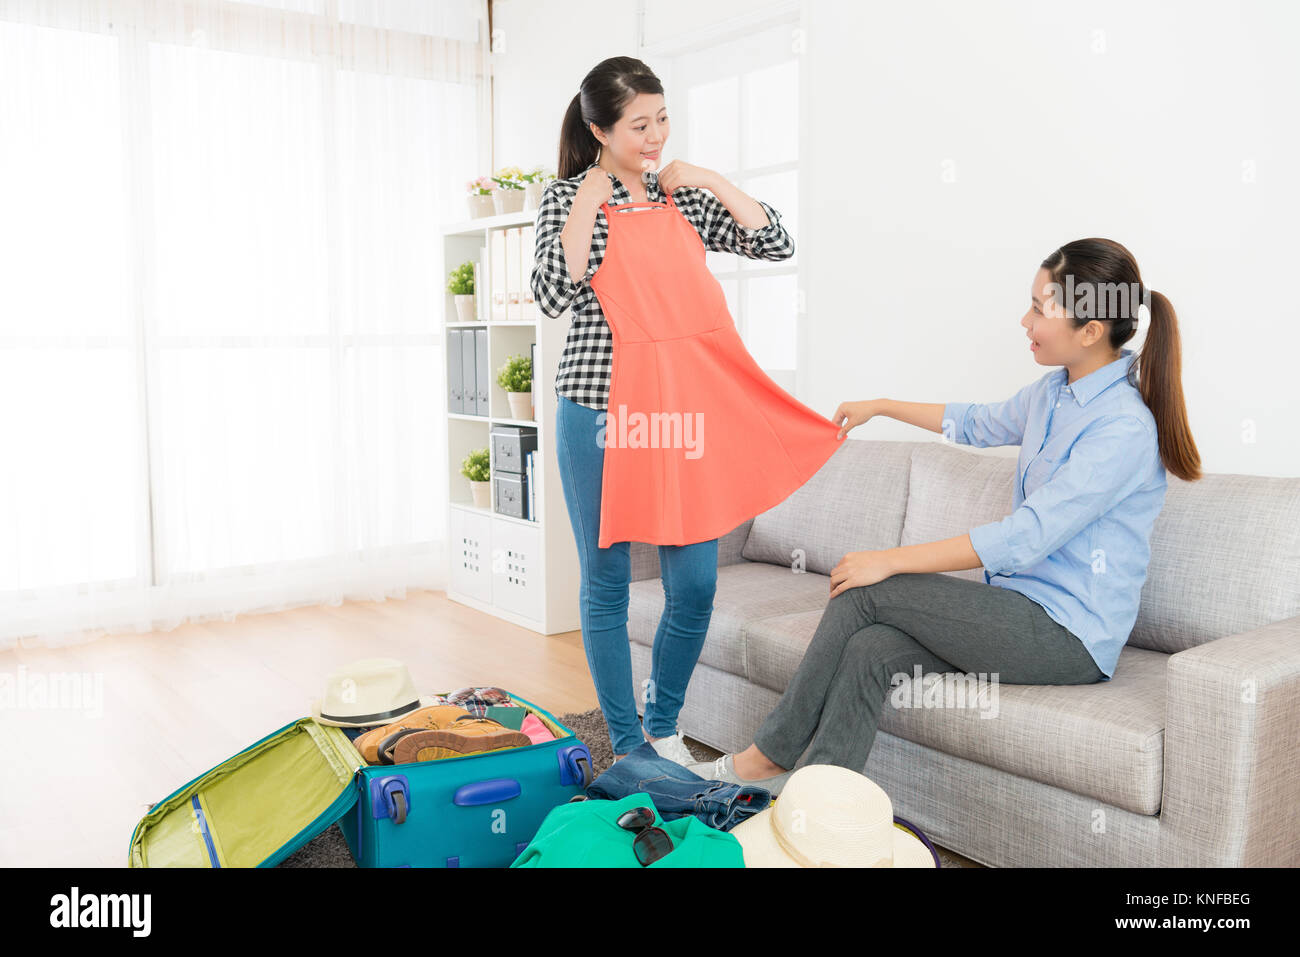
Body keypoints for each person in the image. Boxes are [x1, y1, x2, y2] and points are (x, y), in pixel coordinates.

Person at [690, 238, 1203, 791]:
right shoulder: (1052, 392)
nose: (1024, 319)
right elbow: (976, 422)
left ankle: (766, 756)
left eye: (1039, 308)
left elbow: (1027, 536)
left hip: (1068, 637)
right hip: (1020, 609)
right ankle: (820, 806)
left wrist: (888, 561)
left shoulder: (1121, 428)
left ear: (1090, 331)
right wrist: (882, 404)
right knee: (872, 647)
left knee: (865, 590)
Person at [531, 57, 797, 763]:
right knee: (607, 579)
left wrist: (707, 177)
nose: (654, 136)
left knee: (696, 582)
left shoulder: (681, 198)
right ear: (599, 129)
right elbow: (557, 291)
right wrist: (591, 192)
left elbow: (774, 239)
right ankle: (627, 743)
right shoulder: (562, 199)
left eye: (662, 119)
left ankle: (663, 720)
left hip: (679, 415)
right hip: (598, 411)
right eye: (638, 125)